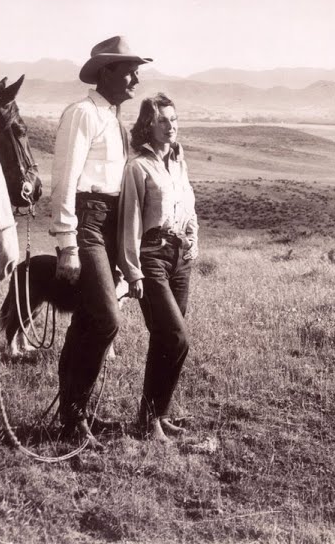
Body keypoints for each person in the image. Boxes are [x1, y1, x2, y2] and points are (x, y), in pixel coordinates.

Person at [49, 35, 149, 447]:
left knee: (90, 319)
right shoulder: (82, 114)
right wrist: (68, 243)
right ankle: (73, 416)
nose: (136, 80)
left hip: (109, 225)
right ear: (107, 71)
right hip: (87, 221)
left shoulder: (115, 120)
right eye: (130, 71)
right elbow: (64, 179)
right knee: (107, 319)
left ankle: (74, 416)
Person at [119, 93, 199, 442]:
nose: (171, 126)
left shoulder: (179, 162)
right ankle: (149, 420)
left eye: (174, 119)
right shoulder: (138, 167)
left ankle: (155, 418)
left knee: (164, 340)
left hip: (180, 257)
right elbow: (130, 222)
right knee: (176, 337)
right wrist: (132, 270)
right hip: (151, 255)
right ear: (148, 126)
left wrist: (194, 236)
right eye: (163, 120)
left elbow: (188, 205)